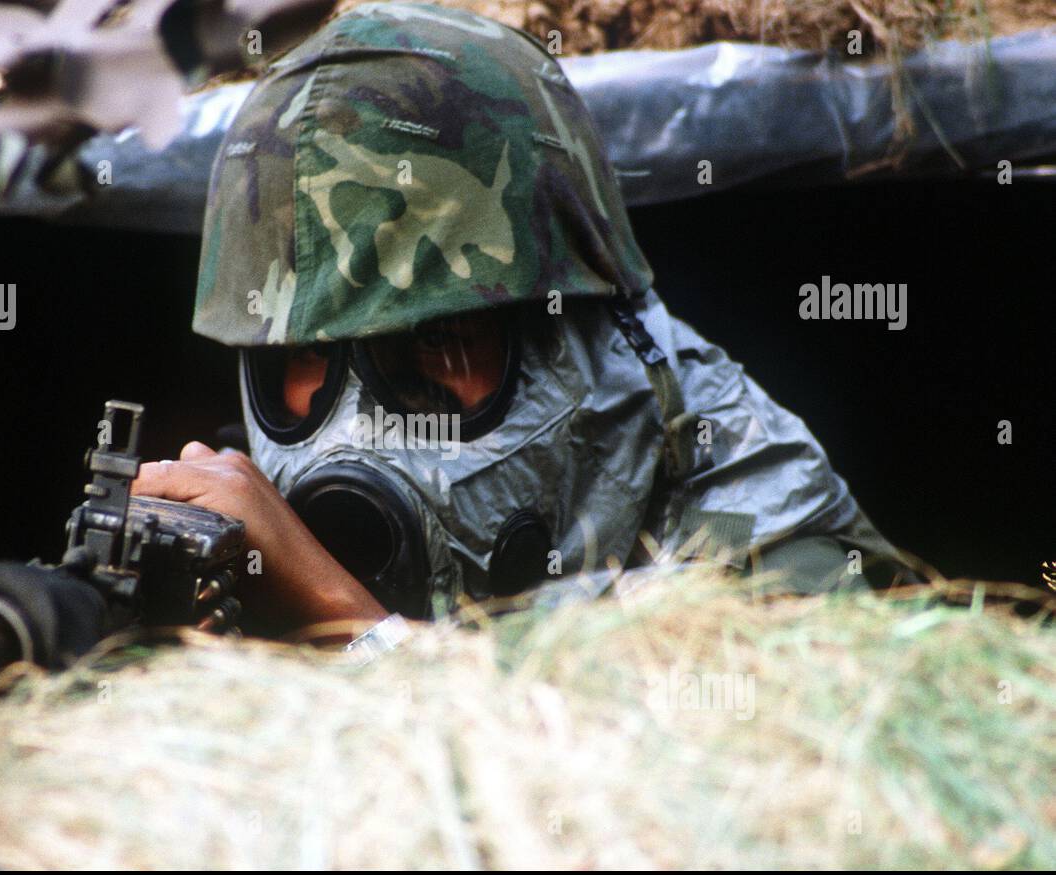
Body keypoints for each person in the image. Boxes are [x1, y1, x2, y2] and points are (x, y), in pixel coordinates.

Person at [132, 2, 914, 644]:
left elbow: (618, 788)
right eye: (305, 362)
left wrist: (354, 632)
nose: (352, 436)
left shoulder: (786, 558)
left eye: (437, 346)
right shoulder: (240, 523)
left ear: (591, 339)